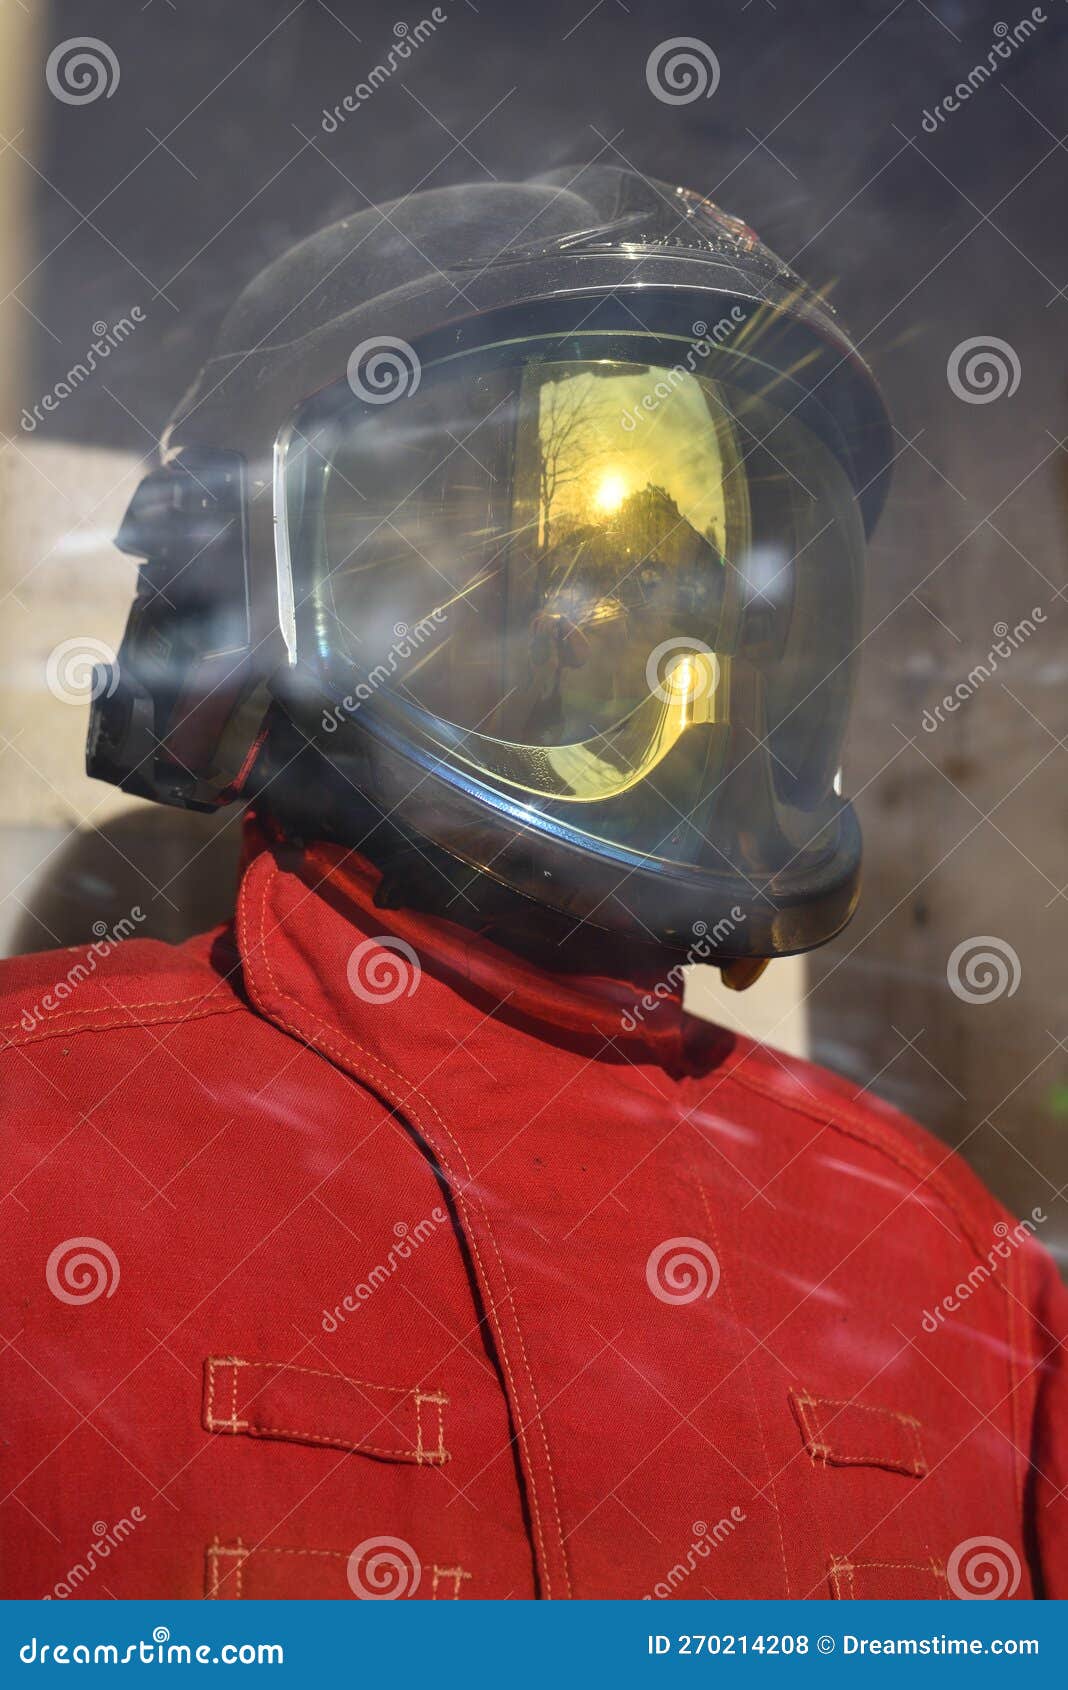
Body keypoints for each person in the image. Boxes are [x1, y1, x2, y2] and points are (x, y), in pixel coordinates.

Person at [2, 168, 1064, 1602]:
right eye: (537, 567)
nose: (659, 657)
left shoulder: (944, 1267)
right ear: (253, 577)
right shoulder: (42, 1147)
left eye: (709, 574)